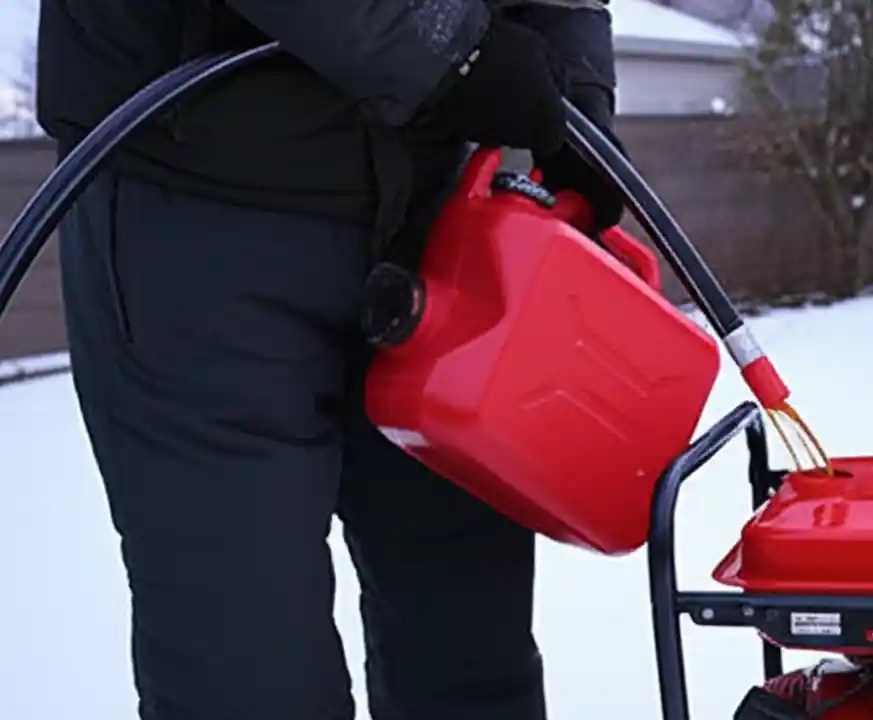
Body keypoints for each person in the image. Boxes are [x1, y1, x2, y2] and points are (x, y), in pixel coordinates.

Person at [35, 0, 625, 717]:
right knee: (250, 673)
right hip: (199, 198)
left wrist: (574, 75)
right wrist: (446, 48)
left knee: (470, 660)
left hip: (435, 216)